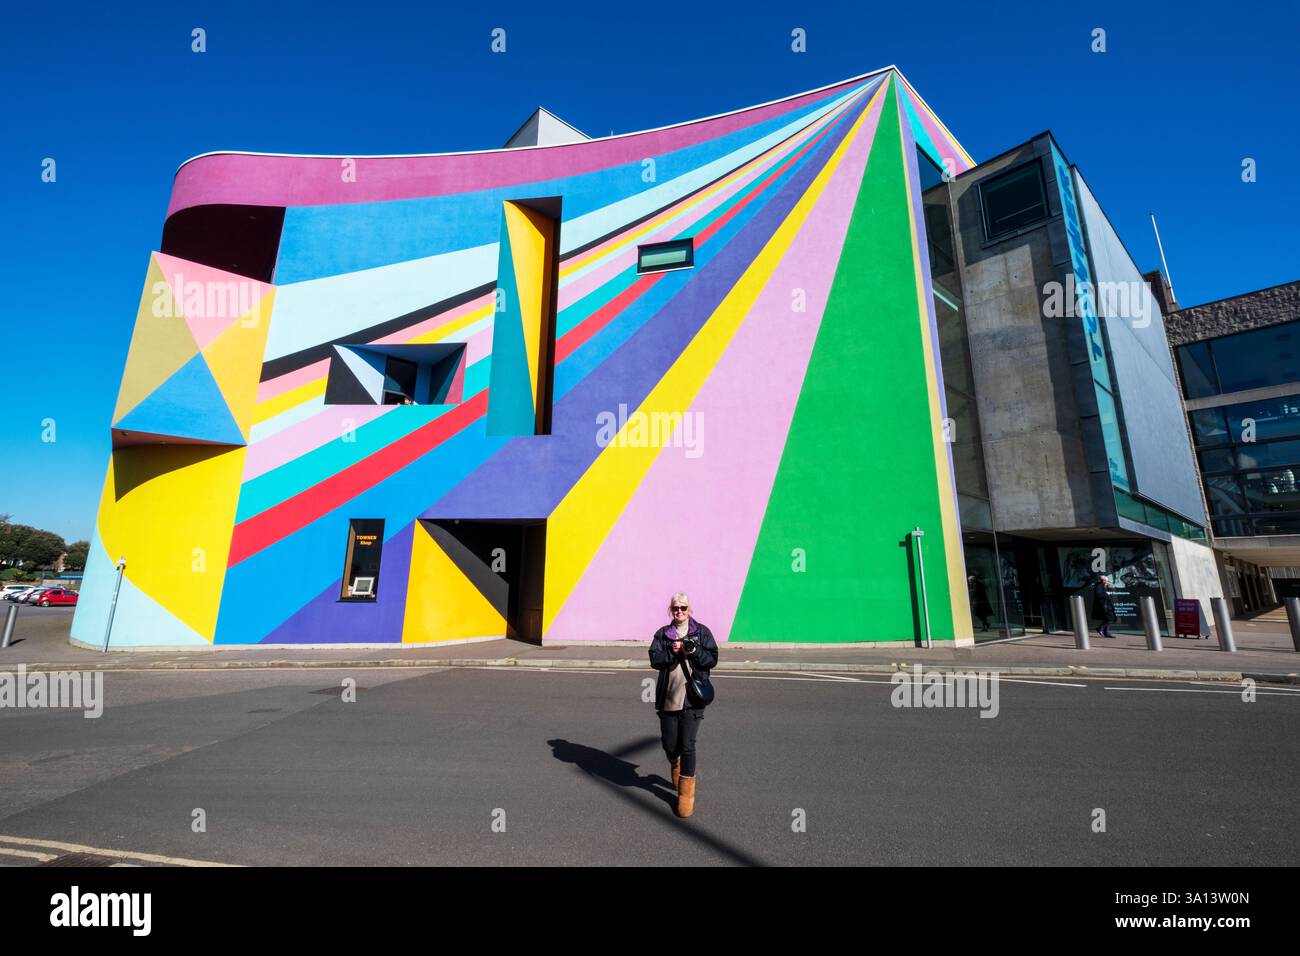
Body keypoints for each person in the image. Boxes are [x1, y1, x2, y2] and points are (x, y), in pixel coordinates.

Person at [648, 592, 718, 818]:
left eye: (683, 608)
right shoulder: (663, 634)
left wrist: (695, 651)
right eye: (676, 608)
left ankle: (685, 797)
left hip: (693, 699)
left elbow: (712, 660)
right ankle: (674, 761)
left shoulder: (702, 632)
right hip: (669, 697)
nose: (680, 612)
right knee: (671, 745)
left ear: (690, 610)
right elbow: (655, 660)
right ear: (671, 610)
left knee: (688, 744)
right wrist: (672, 650)